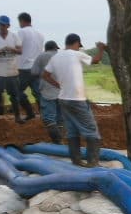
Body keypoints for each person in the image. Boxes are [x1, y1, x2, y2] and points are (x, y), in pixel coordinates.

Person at [42, 33, 107, 166]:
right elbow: (96, 60)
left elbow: (45, 75)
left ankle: (76, 161)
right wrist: (101, 49)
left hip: (63, 99)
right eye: (79, 46)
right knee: (91, 129)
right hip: (76, 99)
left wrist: (59, 85)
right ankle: (93, 163)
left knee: (72, 129)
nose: (79, 48)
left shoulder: (56, 57)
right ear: (76, 43)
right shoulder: (76, 54)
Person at [0, 15, 35, 123]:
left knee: (14, 95)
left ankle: (17, 117)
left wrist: (10, 49)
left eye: (3, 25)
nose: (1, 27)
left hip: (11, 72)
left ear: (8, 26)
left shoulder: (14, 36)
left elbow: (20, 51)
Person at [31, 40, 64, 143]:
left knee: (49, 118)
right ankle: (61, 140)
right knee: (60, 117)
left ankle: (57, 140)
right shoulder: (61, 56)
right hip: (62, 90)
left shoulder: (41, 56)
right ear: (55, 48)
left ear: (46, 48)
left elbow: (34, 72)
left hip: (47, 90)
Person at [16, 12, 45, 106]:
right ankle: (46, 114)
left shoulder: (21, 32)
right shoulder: (40, 35)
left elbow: (18, 48)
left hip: (24, 68)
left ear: (22, 21)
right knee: (38, 93)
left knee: (16, 92)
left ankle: (29, 113)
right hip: (37, 68)